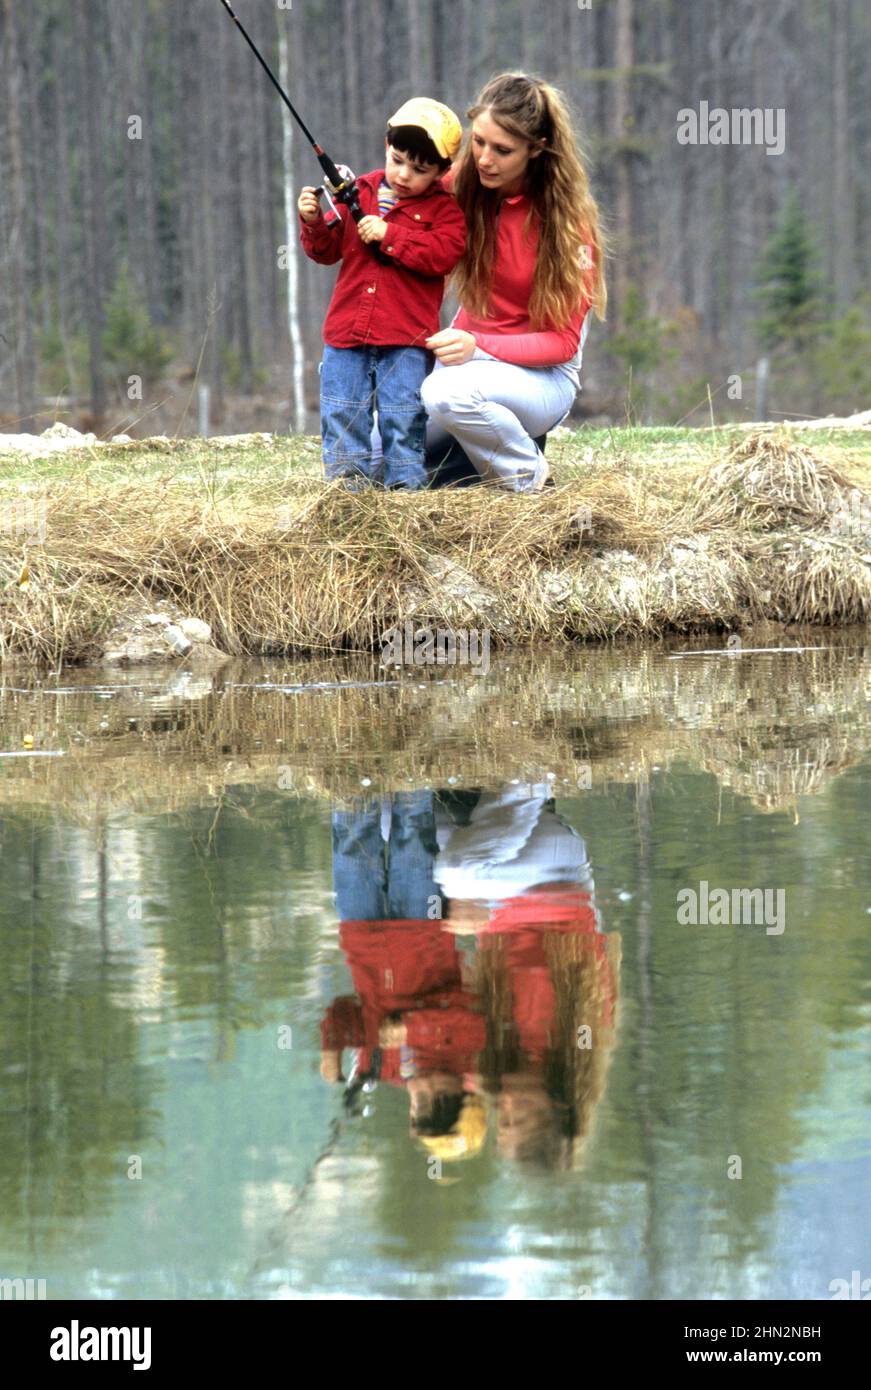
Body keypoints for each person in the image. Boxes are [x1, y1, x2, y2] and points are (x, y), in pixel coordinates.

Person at [421, 73, 608, 492]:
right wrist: (349, 193)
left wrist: (480, 348)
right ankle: (464, 465)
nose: (485, 158)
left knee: (446, 395)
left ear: (536, 150)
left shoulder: (571, 228)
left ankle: (533, 482)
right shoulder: (467, 184)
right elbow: (401, 188)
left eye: (502, 150)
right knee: (370, 453)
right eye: (480, 142)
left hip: (543, 379)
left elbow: (561, 343)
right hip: (465, 362)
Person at [298, 100, 467, 490]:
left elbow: (443, 256)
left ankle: (405, 496)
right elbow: (325, 251)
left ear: (443, 171)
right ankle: (346, 496)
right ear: (386, 146)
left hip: (405, 339)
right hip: (346, 334)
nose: (405, 174)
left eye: (420, 169)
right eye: (398, 160)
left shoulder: (446, 211)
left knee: (403, 418)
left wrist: (392, 236)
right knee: (342, 414)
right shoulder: (358, 190)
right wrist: (311, 222)